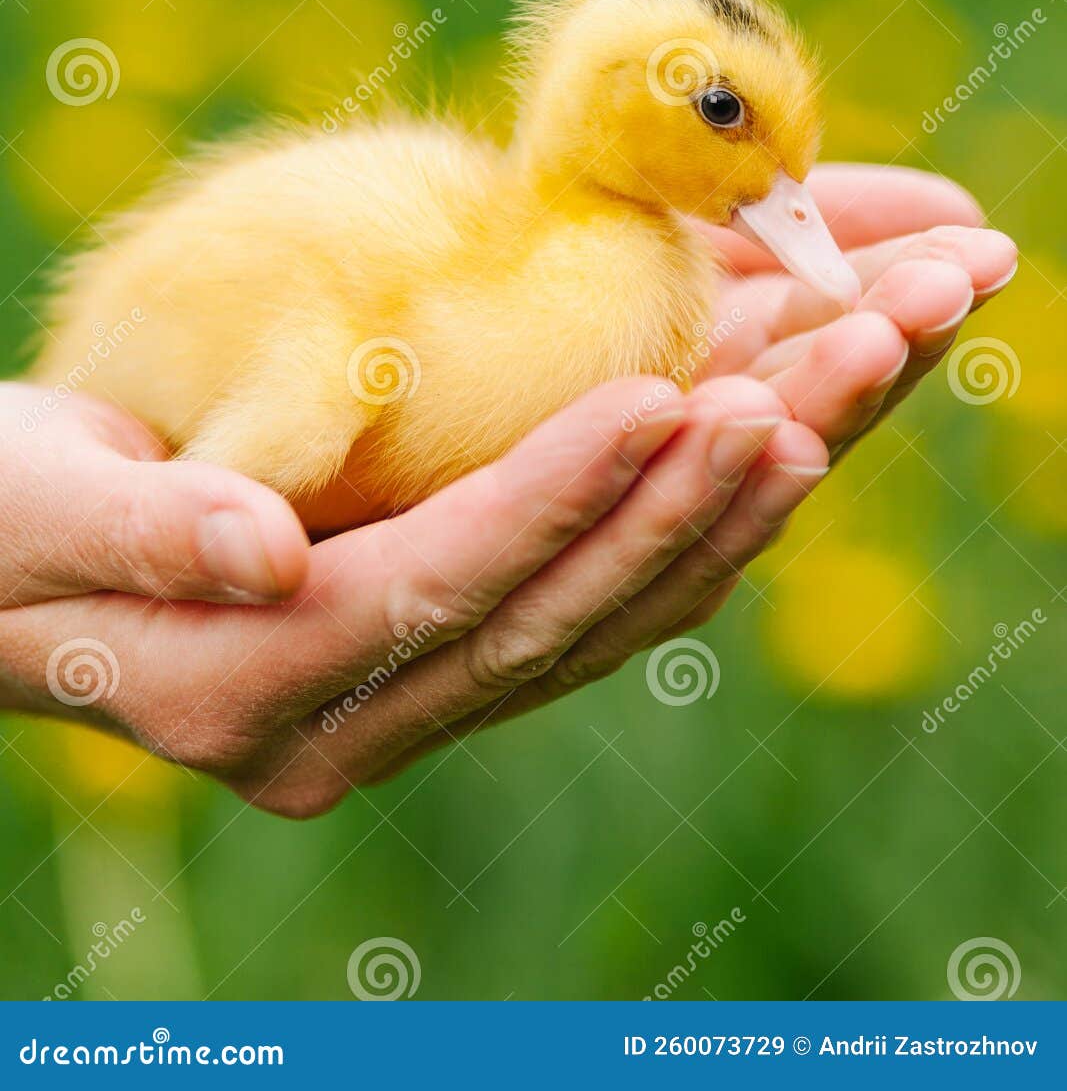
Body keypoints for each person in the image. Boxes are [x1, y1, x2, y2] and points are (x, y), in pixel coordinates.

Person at [0, 166, 1016, 819]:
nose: (791, 205)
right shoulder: (348, 358)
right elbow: (268, 420)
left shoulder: (577, 258)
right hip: (215, 336)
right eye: (721, 114)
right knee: (311, 418)